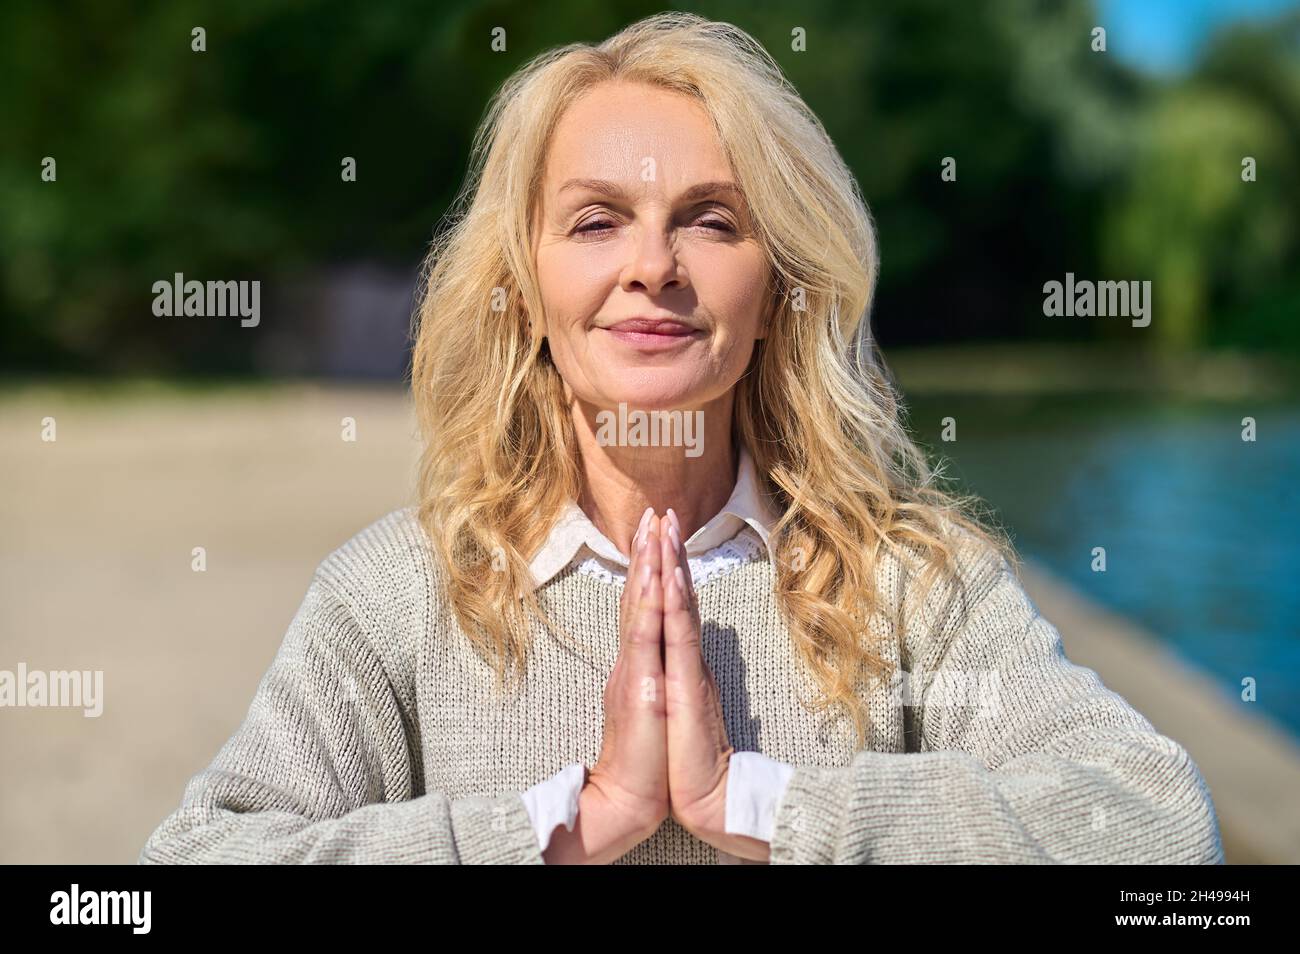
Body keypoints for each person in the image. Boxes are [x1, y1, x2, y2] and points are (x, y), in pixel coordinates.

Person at [139, 12, 1224, 865]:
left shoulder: (916, 586)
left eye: (710, 220)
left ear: (779, 292)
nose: (653, 266)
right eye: (596, 220)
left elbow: (1159, 833)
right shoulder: (394, 597)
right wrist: (565, 826)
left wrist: (760, 807)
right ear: (524, 289)